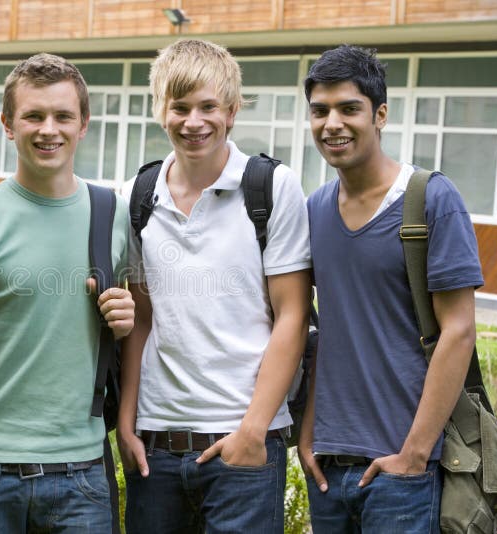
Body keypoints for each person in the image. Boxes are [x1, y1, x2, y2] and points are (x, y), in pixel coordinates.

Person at [0, 53, 134, 533]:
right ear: (7, 124)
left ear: (83, 123)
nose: (49, 129)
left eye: (63, 116)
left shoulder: (113, 214)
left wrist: (124, 319)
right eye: (34, 116)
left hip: (82, 475)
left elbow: (128, 324)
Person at [118, 39, 312, 533]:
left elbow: (292, 314)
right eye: (180, 107)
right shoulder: (139, 196)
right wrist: (127, 421)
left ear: (231, 110)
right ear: (160, 109)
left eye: (208, 107)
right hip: (155, 445)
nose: (194, 121)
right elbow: (142, 319)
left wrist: (253, 431)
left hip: (243, 445)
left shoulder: (271, 187)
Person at [299, 44, 483, 532]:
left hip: (403, 470)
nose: (332, 123)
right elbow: (331, 329)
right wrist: (308, 435)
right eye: (320, 111)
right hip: (328, 464)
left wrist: (415, 453)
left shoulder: (430, 199)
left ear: (380, 114)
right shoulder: (314, 208)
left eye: (349, 108)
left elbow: (460, 331)